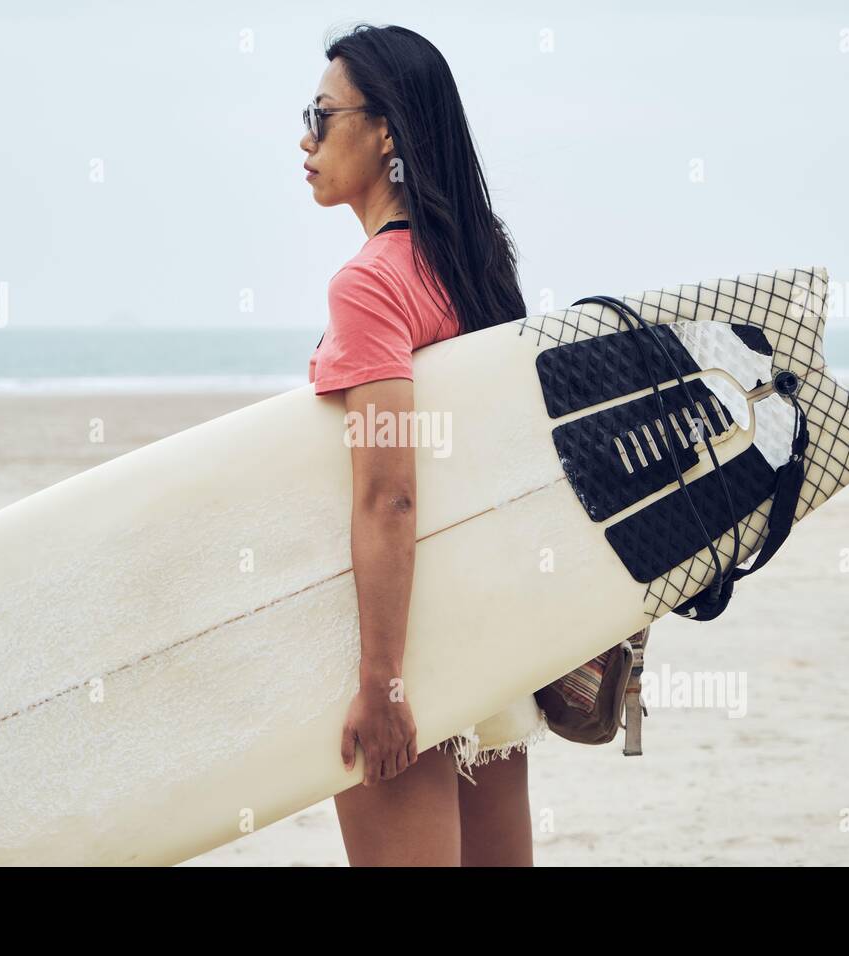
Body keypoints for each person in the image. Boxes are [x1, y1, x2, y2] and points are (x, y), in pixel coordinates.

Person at [301, 23, 546, 867]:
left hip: (406, 638)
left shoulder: (370, 283)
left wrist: (382, 682)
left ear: (386, 132)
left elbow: (389, 493)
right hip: (487, 628)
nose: (306, 138)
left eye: (323, 115)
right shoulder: (481, 267)